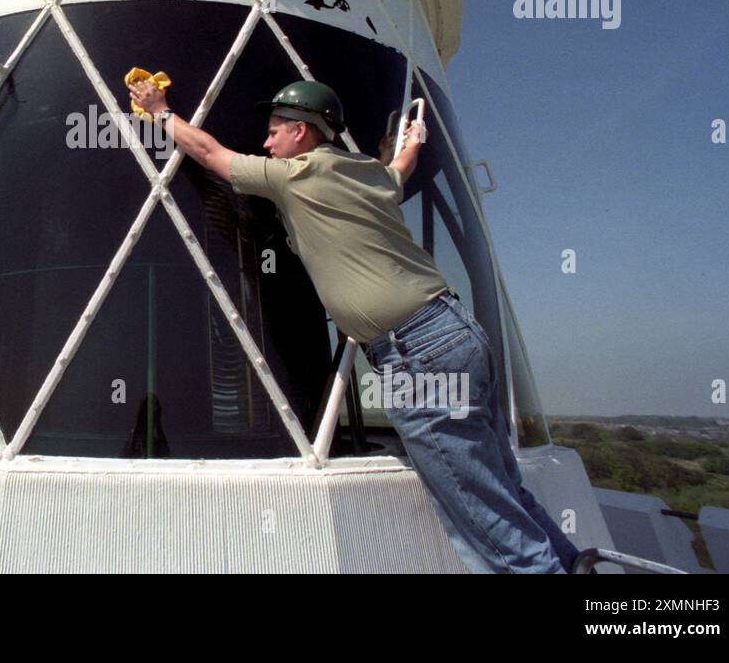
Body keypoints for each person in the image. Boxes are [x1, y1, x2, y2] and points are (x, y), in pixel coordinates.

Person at [127, 76, 582, 574]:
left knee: (483, 518)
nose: (266, 141)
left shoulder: (297, 175)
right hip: (457, 332)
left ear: (301, 133)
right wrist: (406, 146)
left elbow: (211, 153)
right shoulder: (368, 171)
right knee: (501, 492)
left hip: (418, 352)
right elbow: (400, 172)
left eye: (274, 130)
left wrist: (160, 109)